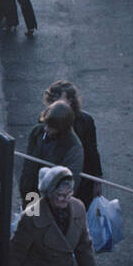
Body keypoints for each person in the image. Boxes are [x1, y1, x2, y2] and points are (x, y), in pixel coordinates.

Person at [42, 80, 102, 208]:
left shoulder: (85, 121)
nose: (56, 103)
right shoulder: (48, 119)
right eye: (53, 99)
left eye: (60, 99)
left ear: (70, 100)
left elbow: (92, 151)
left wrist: (98, 180)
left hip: (82, 179)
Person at [19, 100, 84, 202]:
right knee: (30, 216)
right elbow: (28, 164)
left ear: (62, 127)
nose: (46, 129)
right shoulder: (37, 132)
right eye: (46, 124)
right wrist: (24, 187)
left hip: (52, 200)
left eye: (51, 127)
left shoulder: (73, 147)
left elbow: (70, 181)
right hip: (31, 193)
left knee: (43, 217)